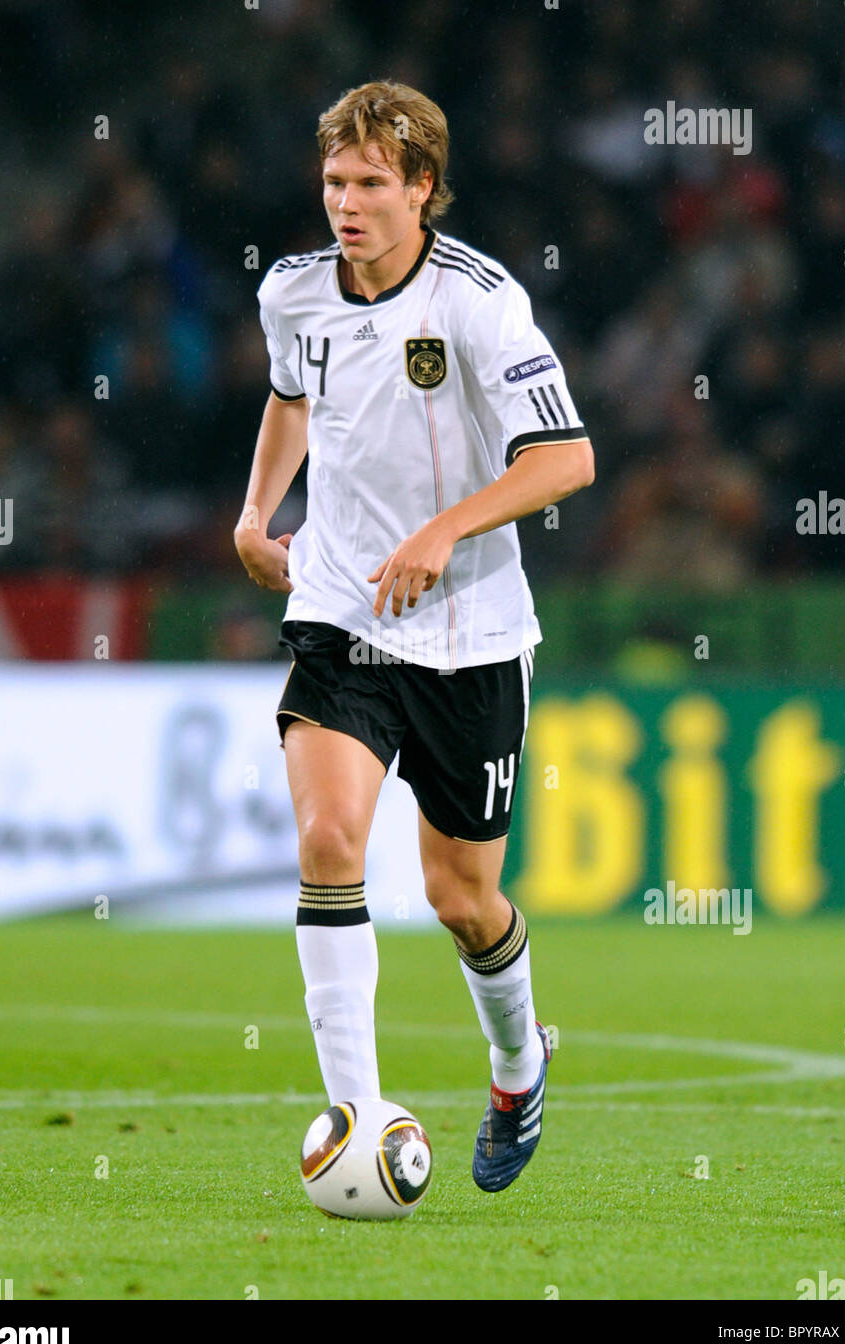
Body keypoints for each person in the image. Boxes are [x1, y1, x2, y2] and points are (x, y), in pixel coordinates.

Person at [234, 81, 594, 1192]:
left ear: (422, 188)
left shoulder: (480, 302)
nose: (345, 203)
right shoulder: (292, 293)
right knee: (330, 839)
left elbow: (565, 460)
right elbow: (292, 398)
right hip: (342, 610)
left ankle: (514, 1058)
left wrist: (445, 527)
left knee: (460, 897)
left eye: (370, 184)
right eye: (334, 182)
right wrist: (256, 513)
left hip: (469, 633)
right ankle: (355, 1106)